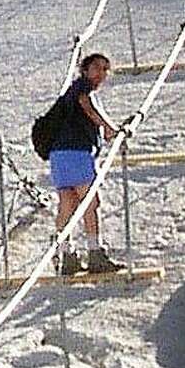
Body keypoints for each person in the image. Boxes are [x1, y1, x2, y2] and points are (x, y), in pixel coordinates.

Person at [46, 51, 121, 276]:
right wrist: (109, 127)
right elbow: (88, 106)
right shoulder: (82, 88)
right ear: (85, 70)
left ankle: (67, 254)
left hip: (58, 155)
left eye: (105, 69)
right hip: (77, 153)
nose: (102, 73)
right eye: (97, 68)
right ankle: (95, 252)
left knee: (67, 204)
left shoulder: (73, 91)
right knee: (90, 202)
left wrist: (106, 128)